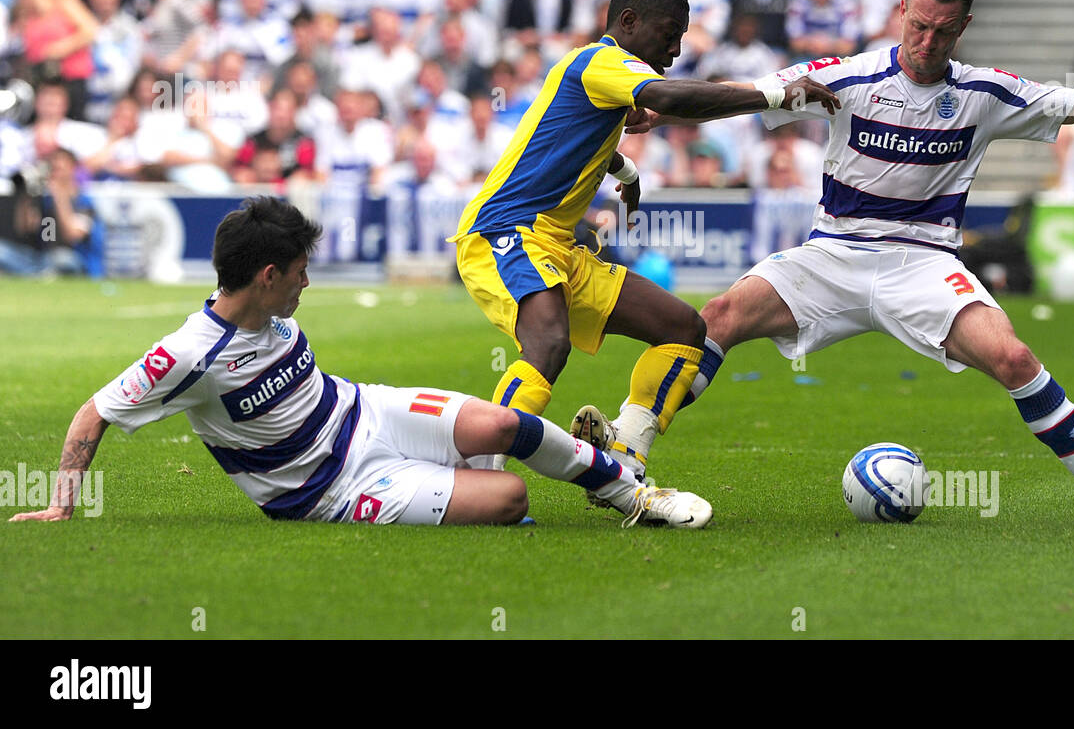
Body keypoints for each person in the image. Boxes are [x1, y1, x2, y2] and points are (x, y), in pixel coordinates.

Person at [576, 0, 1074, 532]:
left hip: (923, 262)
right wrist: (654, 116)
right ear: (899, 14)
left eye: (943, 32)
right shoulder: (844, 78)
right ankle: (627, 458)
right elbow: (748, 93)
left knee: (1012, 355)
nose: (926, 42)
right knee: (718, 318)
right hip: (833, 253)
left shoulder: (986, 93)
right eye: (917, 25)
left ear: (963, 27)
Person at [9, 197, 711, 529]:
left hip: (367, 408)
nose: (308, 284)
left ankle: (628, 490)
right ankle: (495, 476)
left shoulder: (272, 310)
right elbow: (93, 412)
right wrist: (61, 504)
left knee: (501, 425)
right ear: (267, 276)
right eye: (301, 273)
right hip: (330, 490)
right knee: (509, 499)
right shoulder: (188, 355)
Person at [449, 0, 838, 483]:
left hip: (556, 245)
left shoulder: (602, 78)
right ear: (628, 22)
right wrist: (772, 94)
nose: (676, 49)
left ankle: (625, 448)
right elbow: (672, 98)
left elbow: (574, 138)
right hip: (506, 229)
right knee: (547, 341)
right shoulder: (601, 60)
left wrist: (627, 175)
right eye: (669, 33)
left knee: (684, 329)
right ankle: (477, 472)